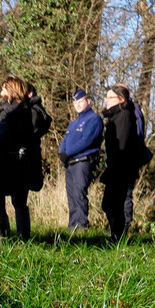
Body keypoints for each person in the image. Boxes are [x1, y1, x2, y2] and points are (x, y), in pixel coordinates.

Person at [0, 77, 37, 242]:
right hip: (17, 162)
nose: (1, 93)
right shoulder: (26, 110)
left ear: (11, 91)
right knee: (19, 201)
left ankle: (2, 239)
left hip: (4, 163)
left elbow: (4, 140)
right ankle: (23, 238)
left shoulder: (10, 112)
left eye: (3, 89)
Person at [101, 85, 150, 241]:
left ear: (121, 99)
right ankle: (116, 234)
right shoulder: (116, 116)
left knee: (114, 204)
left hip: (121, 168)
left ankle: (118, 236)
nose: (106, 101)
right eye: (106, 97)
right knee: (109, 204)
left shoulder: (124, 116)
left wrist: (114, 168)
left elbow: (121, 145)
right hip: (116, 167)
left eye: (110, 98)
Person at [57, 89, 103, 231]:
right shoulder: (73, 123)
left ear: (88, 101)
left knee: (79, 194)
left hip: (82, 162)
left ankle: (81, 226)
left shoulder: (94, 119)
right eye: (75, 102)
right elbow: (65, 140)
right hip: (69, 163)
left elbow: (86, 141)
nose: (77, 104)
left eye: (80, 101)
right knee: (71, 196)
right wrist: (62, 153)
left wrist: (68, 152)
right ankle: (73, 226)